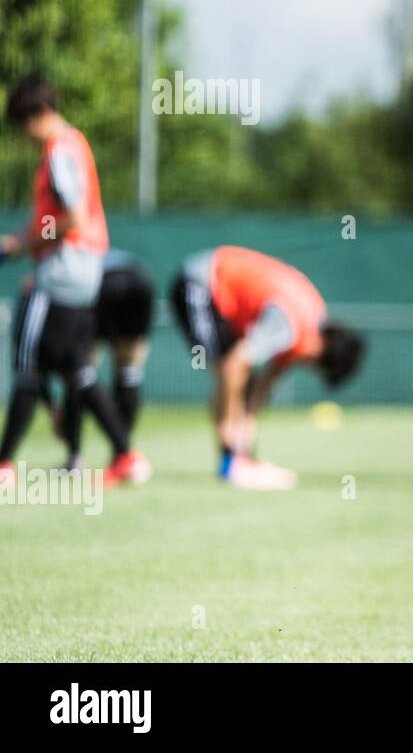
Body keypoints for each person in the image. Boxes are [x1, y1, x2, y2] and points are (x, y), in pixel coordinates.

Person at [0, 77, 149, 489]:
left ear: (38, 114)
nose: (26, 136)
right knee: (77, 369)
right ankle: (126, 454)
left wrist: (20, 244)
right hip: (85, 273)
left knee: (28, 363)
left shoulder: (59, 149)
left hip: (62, 271)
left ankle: (3, 465)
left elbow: (71, 216)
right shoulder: (77, 143)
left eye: (24, 125)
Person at [169, 245, 365, 489]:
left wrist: (248, 427)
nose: (309, 369)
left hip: (223, 298)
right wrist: (233, 431)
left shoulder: (309, 331)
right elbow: (234, 365)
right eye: (317, 368)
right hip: (200, 283)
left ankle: (240, 460)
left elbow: (263, 387)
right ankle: (230, 463)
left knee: (243, 379)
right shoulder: (290, 324)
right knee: (228, 372)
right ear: (322, 357)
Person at [27, 249, 156, 468]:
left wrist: (54, 412)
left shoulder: (52, 277)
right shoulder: (90, 256)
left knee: (79, 371)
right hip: (140, 281)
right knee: (128, 367)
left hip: (103, 284)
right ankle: (121, 455)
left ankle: (75, 457)